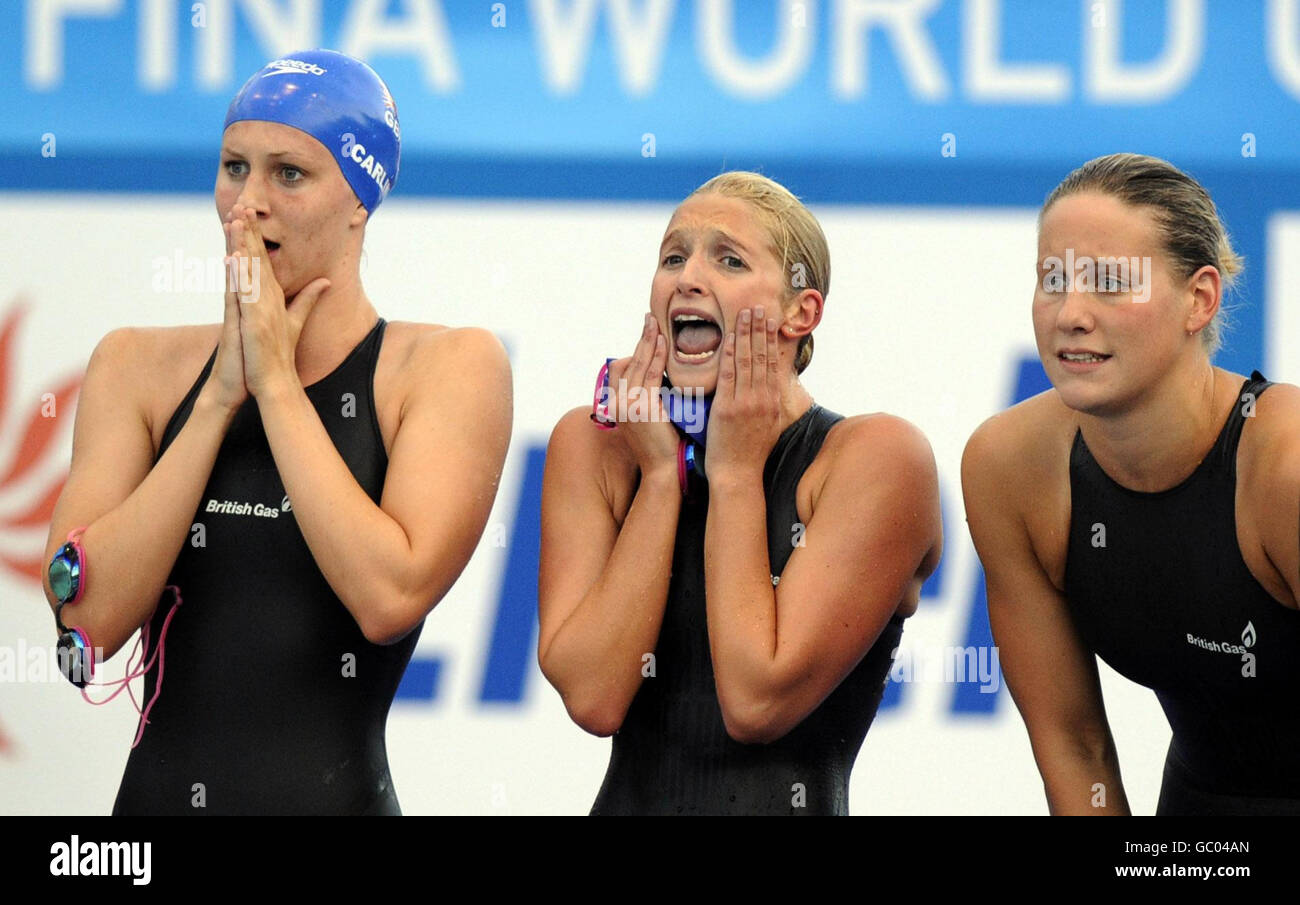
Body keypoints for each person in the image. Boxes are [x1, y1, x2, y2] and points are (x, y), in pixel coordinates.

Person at [41, 49, 512, 815]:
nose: (245, 203)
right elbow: (85, 625)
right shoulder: (136, 365)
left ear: (360, 197)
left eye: (288, 173)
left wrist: (276, 381)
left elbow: (389, 595)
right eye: (233, 167)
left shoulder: (444, 367)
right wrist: (220, 397)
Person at [538, 171, 942, 815]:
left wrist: (733, 474)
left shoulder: (875, 460)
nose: (687, 278)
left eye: (728, 259)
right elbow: (593, 697)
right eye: (674, 256)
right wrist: (663, 479)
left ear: (800, 311)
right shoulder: (598, 446)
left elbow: (757, 702)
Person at [962, 152, 1300, 816]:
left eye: (1111, 282)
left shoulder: (1284, 469)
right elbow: (1073, 746)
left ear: (1199, 299)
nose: (1071, 313)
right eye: (1052, 280)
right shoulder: (1011, 466)